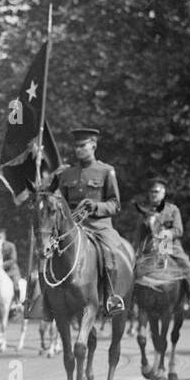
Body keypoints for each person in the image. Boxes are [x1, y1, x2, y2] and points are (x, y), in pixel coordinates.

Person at [56, 127, 126, 315]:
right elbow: (59, 203)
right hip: (72, 228)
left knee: (109, 252)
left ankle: (111, 298)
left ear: (93, 146)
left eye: (83, 146)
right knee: (48, 249)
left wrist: (95, 206)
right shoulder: (66, 174)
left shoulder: (106, 171)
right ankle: (47, 299)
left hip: (98, 227)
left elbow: (115, 205)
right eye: (76, 146)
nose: (78, 150)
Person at [134, 178, 190, 304]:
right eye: (152, 192)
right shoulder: (144, 211)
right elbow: (138, 233)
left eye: (157, 192)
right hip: (149, 248)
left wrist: (164, 234)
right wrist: (136, 249)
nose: (154, 194)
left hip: (169, 245)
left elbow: (179, 230)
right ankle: (129, 299)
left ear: (163, 193)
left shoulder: (172, 210)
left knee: (186, 264)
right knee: (132, 267)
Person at [0, 228, 22, 306]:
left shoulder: (10, 246)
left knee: (16, 285)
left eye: (0, 237)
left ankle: (17, 302)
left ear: (4, 237)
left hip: (11, 270)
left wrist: (2, 265)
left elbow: (13, 259)